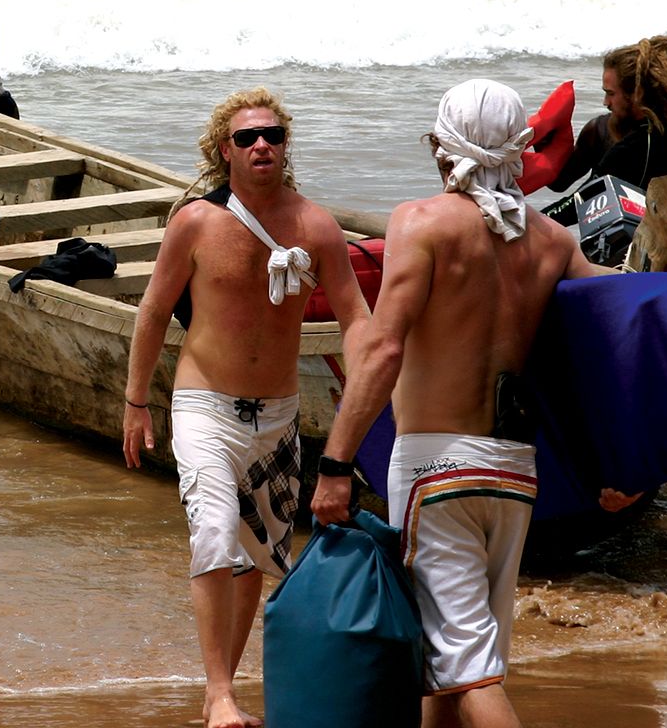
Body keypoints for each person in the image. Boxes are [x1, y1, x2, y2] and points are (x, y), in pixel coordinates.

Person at [312, 80, 604, 728]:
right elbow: (609, 337)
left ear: (442, 149)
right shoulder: (555, 243)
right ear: (520, 152)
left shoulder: (421, 224)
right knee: (446, 671)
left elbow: (383, 350)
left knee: (468, 675)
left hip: (436, 473)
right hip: (513, 475)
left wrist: (335, 466)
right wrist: (612, 462)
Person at [123, 90, 371, 728]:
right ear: (224, 151)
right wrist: (135, 403)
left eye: (272, 136)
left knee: (257, 552)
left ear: (286, 146)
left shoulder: (315, 228)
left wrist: (389, 364)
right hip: (203, 404)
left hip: (279, 416)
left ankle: (224, 688)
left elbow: (358, 321)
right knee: (212, 535)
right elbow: (153, 311)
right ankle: (218, 697)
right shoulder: (196, 223)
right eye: (246, 138)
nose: (261, 145)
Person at [549, 35, 667, 193]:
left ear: (637, 94)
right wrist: (546, 134)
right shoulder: (598, 131)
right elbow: (560, 183)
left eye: (611, 93)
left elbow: (580, 201)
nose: (606, 102)